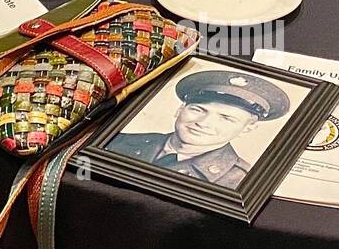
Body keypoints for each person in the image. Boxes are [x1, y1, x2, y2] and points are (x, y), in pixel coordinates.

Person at [108, 69, 290, 189]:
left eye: (226, 118)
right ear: (180, 109)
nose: (204, 123)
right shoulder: (121, 140)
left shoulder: (239, 181)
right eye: (198, 110)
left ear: (247, 128)